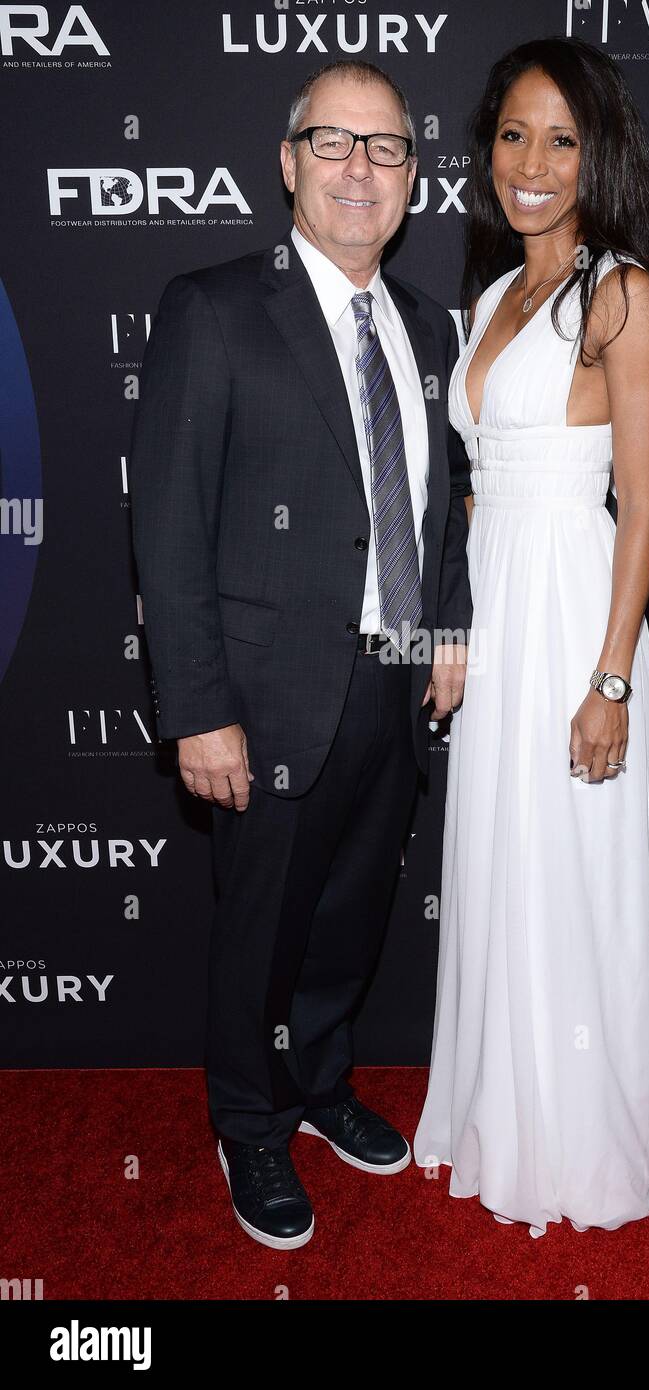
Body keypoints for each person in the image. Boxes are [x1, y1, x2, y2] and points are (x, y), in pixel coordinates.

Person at [129, 59, 472, 1250]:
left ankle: (318, 1084)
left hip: (391, 684)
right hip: (264, 698)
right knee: (260, 927)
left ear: (412, 177)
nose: (359, 170)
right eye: (333, 144)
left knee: (347, 920)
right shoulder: (215, 307)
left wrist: (442, 635)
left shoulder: (431, 327)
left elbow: (436, 512)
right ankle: (250, 1122)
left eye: (384, 149)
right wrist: (197, 705)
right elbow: (166, 524)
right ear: (287, 164)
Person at [413, 37, 649, 1236]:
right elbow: (475, 483)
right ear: (485, 151)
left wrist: (610, 676)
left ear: (598, 155)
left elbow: (641, 499)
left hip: (577, 613)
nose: (531, 162)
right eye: (512, 135)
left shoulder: (620, 290)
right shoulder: (489, 298)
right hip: (495, 613)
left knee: (575, 880)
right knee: (498, 868)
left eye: (560, 139)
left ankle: (579, 1143)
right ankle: (496, 1112)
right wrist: (452, 623)